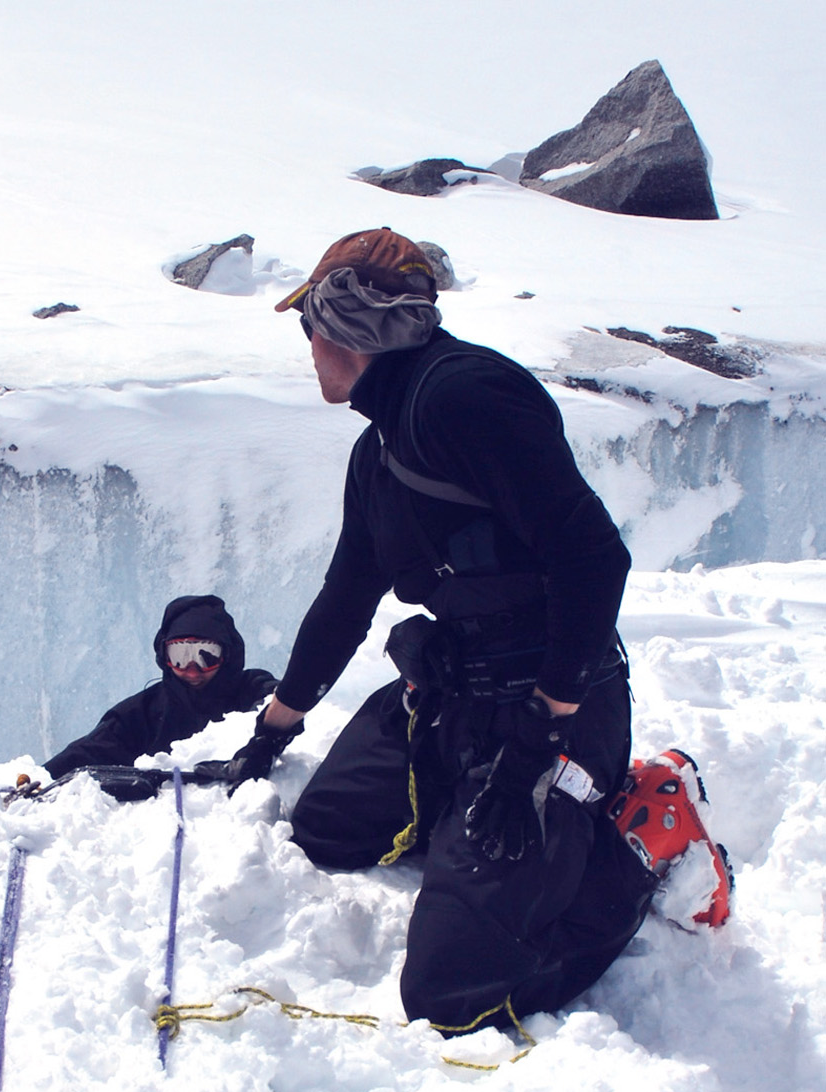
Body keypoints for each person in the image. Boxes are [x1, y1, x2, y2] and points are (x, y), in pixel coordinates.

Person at [255, 227, 659, 1035]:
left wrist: (544, 730)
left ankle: (637, 845)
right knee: (328, 830)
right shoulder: (380, 449)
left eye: (309, 324)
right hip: (457, 695)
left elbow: (592, 557)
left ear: (348, 319)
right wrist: (277, 724)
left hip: (555, 709)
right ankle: (469, 819)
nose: (306, 347)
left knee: (452, 991)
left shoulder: (463, 396)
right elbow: (347, 595)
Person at [44, 594, 294, 790]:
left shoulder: (253, 690)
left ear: (227, 655)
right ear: (164, 657)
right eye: (180, 656)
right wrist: (36, 779)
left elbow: (289, 705)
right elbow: (88, 753)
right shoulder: (142, 713)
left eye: (207, 656)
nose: (193, 670)